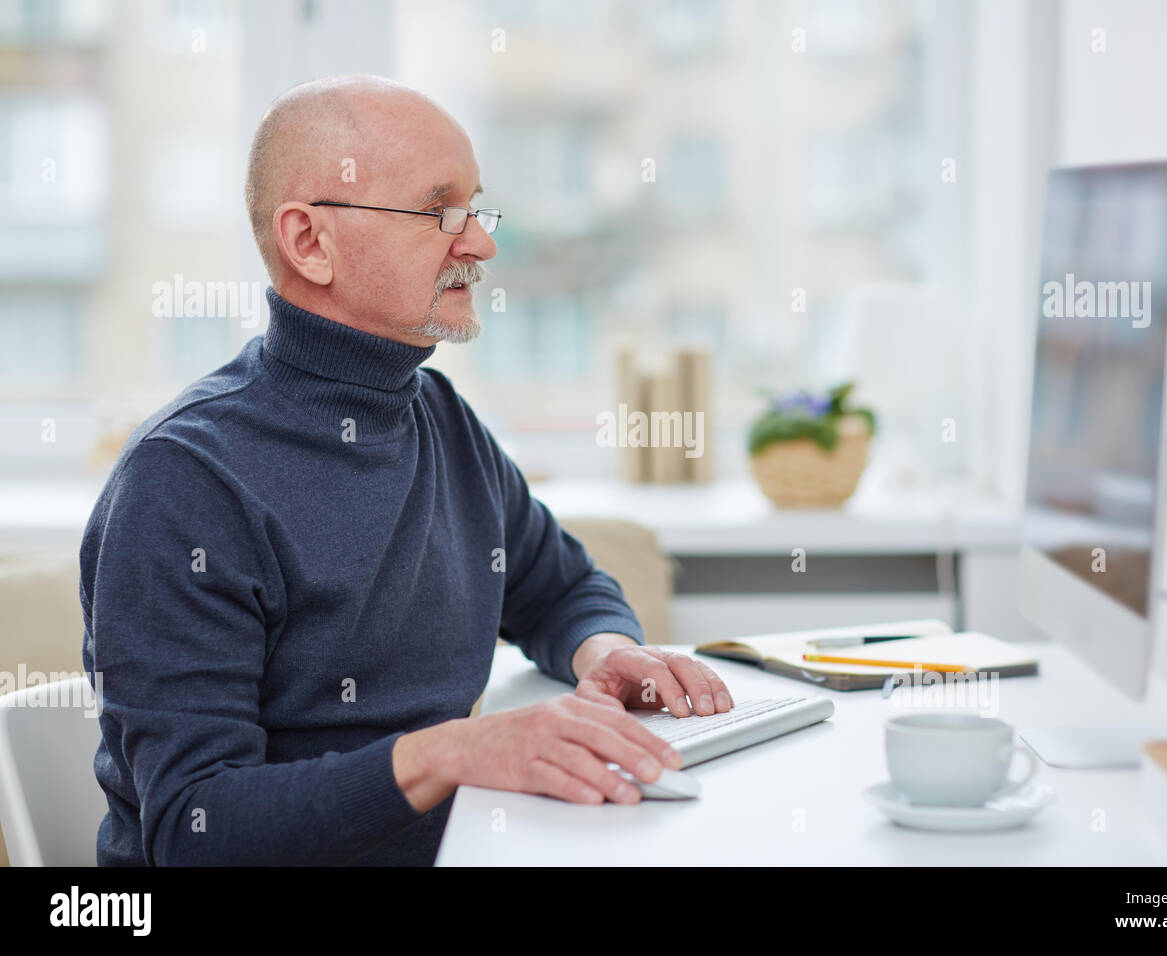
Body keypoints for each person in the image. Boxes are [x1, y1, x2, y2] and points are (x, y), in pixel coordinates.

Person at [80, 74, 733, 866]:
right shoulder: (184, 481)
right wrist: (449, 753)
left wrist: (606, 652)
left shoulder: (441, 418)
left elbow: (562, 589)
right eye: (438, 211)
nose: (481, 243)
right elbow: (195, 827)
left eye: (476, 208)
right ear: (309, 242)